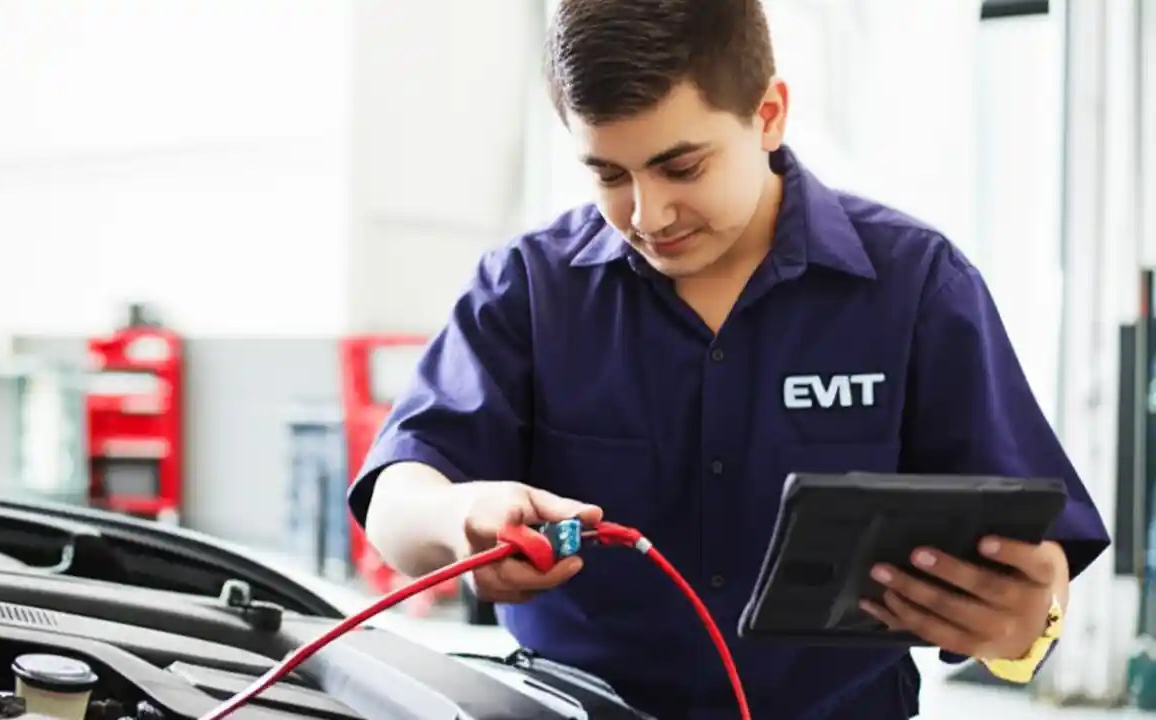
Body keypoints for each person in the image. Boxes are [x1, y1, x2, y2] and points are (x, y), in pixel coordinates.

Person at [346, 1, 1112, 717]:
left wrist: (1025, 624)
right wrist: (456, 519)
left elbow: (1031, 566)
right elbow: (396, 498)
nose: (648, 216)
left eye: (682, 167)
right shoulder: (528, 290)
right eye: (610, 174)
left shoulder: (916, 286)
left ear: (768, 114)